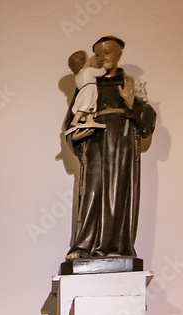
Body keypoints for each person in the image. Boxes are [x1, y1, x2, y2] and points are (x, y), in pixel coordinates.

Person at [65, 36, 156, 260]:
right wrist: (76, 135)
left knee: (118, 192)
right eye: (98, 54)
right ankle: (83, 246)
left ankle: (117, 247)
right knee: (92, 192)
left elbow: (147, 122)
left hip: (122, 144)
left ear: (119, 54)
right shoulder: (89, 84)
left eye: (107, 52)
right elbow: (71, 121)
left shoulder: (129, 84)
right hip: (95, 143)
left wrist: (131, 102)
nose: (103, 57)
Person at [65, 50, 108, 137]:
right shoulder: (88, 70)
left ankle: (89, 120)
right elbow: (100, 73)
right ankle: (75, 121)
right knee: (86, 106)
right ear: (83, 62)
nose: (89, 62)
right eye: (88, 60)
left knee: (91, 107)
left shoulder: (77, 76)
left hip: (84, 90)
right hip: (89, 89)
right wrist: (105, 67)